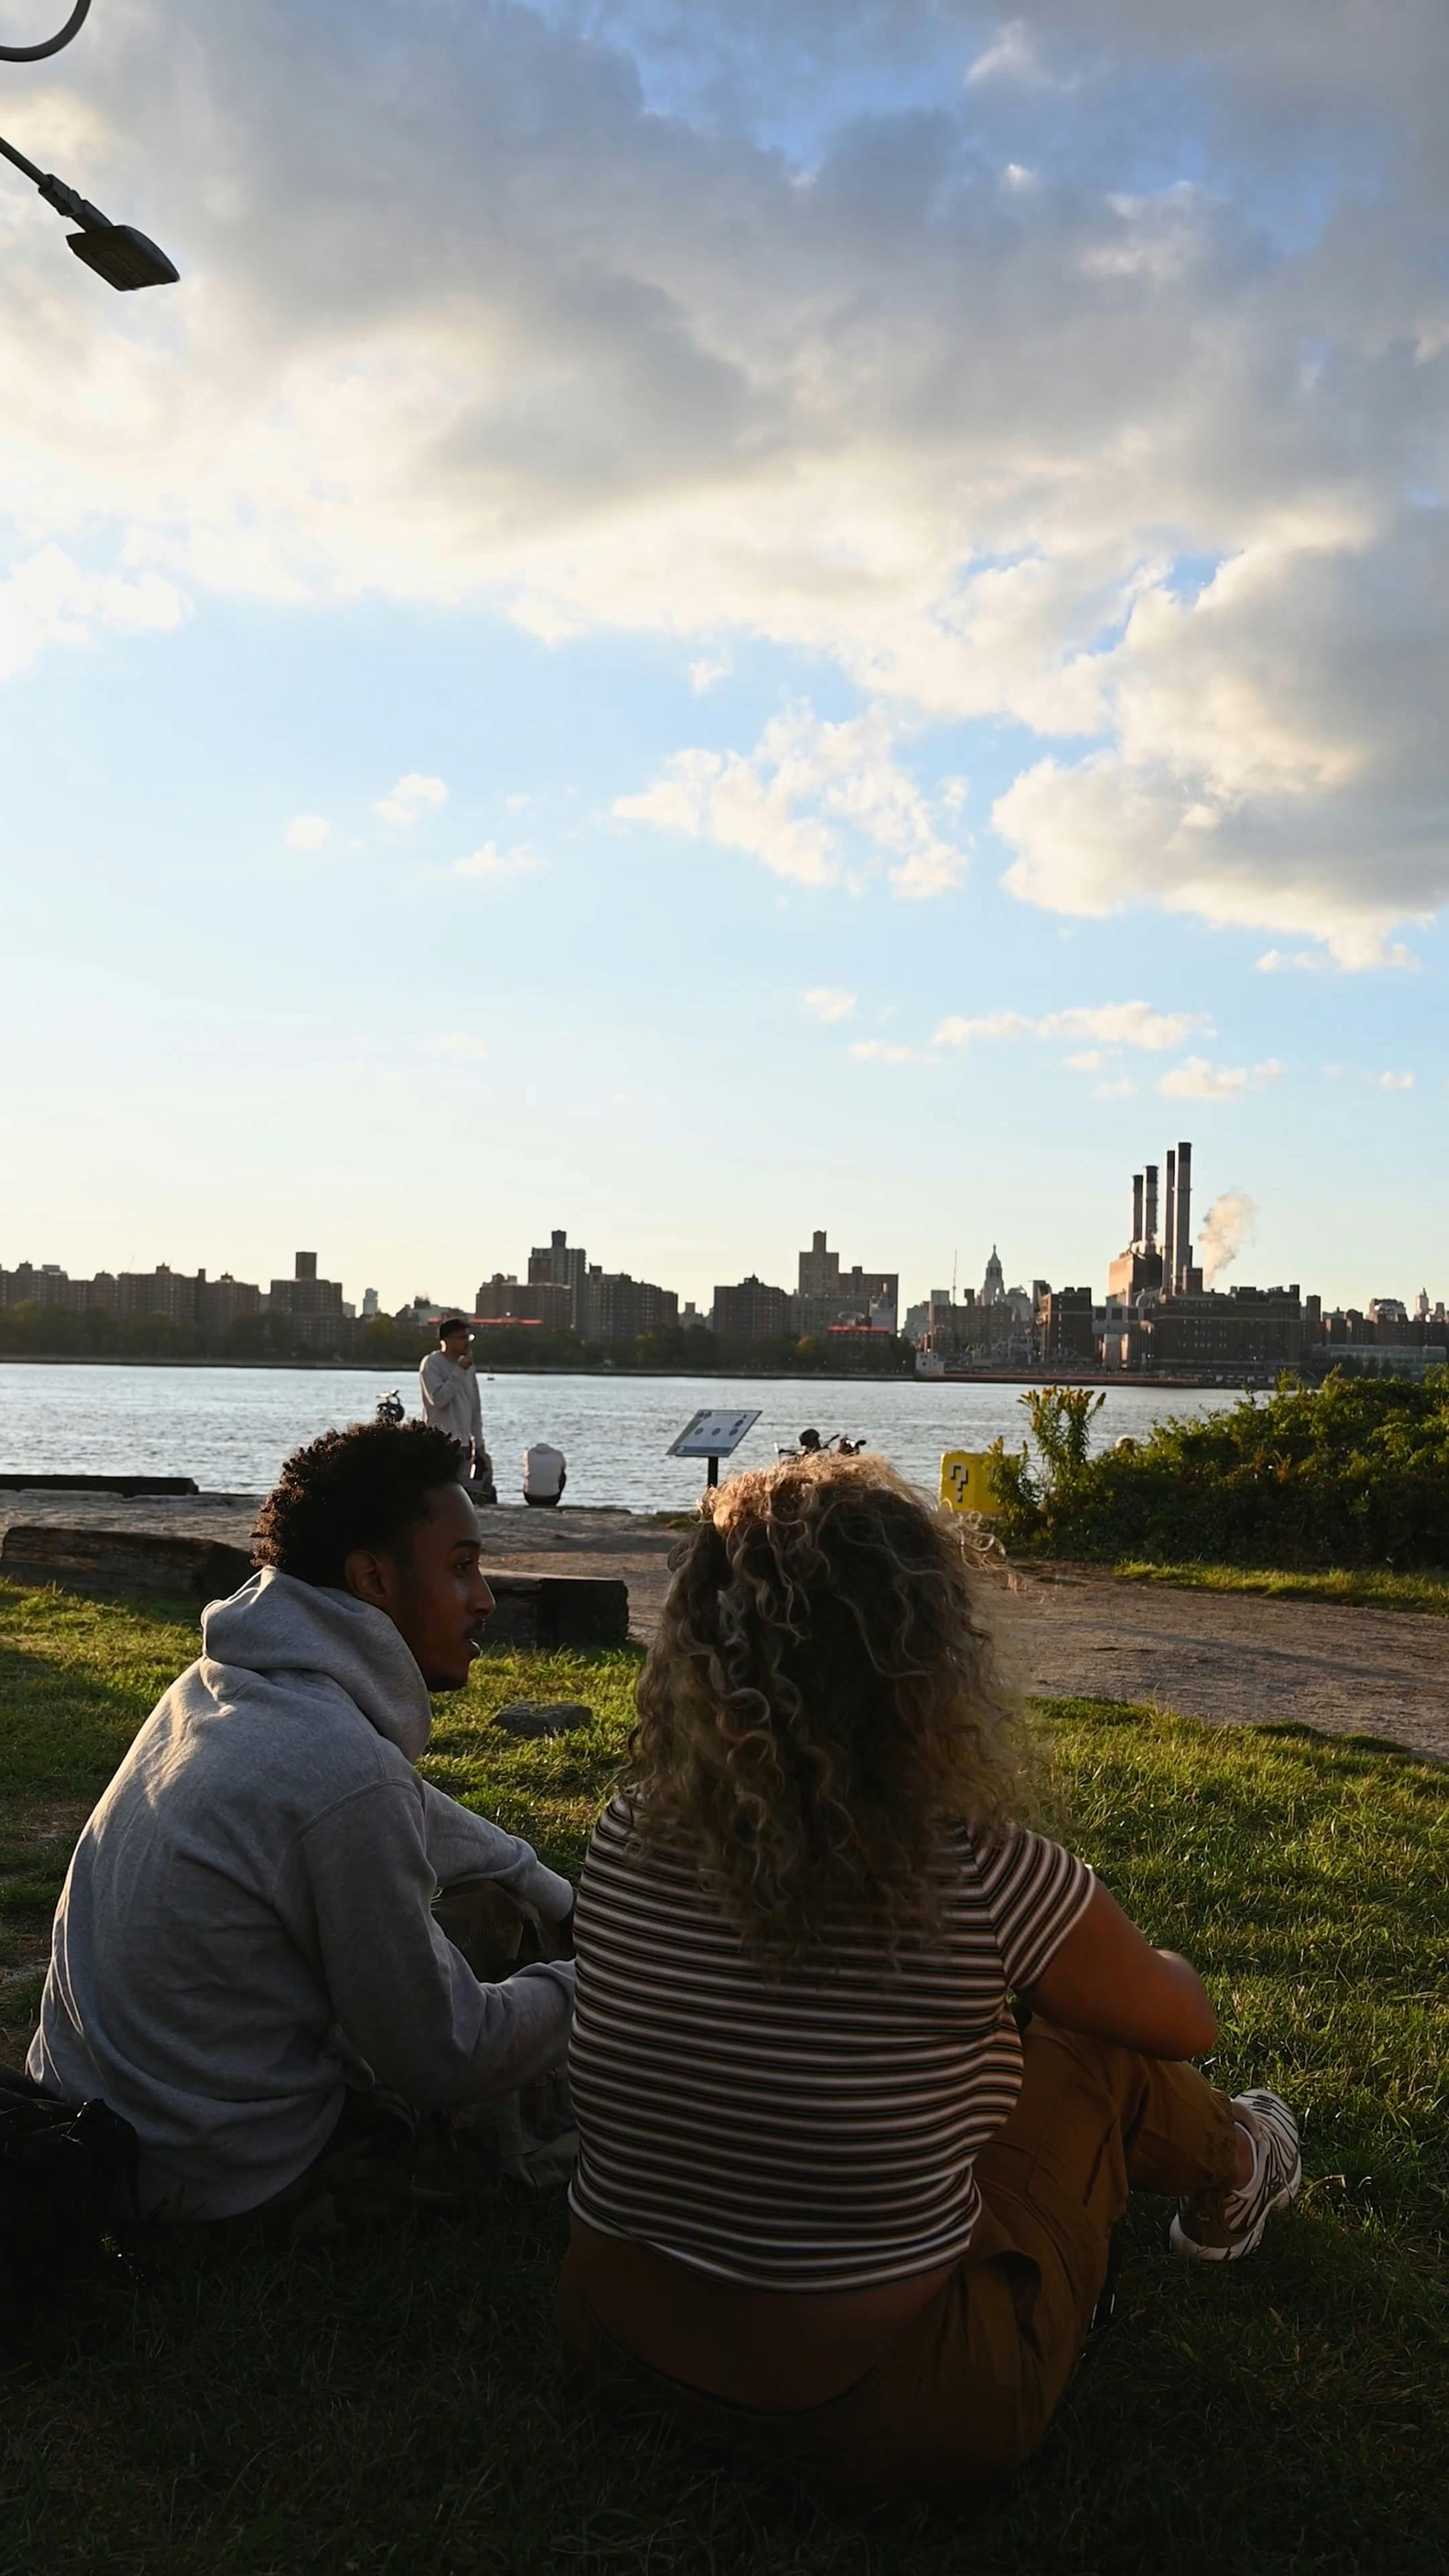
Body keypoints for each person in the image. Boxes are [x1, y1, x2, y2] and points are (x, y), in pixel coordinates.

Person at [561, 1453, 1300, 2520]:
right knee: (1099, 2046)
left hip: (614, 2353)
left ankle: (1226, 2154)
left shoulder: (628, 1829)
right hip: (894, 2419)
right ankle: (1240, 2160)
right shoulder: (980, 1870)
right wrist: (1084, 1970)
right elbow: (1184, 2022)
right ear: (926, 1656)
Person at [27, 1421, 576, 2223]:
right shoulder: (340, 1769)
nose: (485, 1599)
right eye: (462, 1569)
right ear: (373, 1581)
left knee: (498, 1905)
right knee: (582, 2128)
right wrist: (599, 1988)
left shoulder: (222, 1685)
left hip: (98, 2101)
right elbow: (444, 2057)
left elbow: (409, 1809)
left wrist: (558, 1897)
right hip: (218, 2169)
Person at [419, 1318, 485, 1485]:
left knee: (460, 1491)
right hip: (438, 1443)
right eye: (462, 1338)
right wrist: (460, 1371)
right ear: (446, 1340)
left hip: (463, 1444)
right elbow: (438, 1400)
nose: (467, 1343)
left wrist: (479, 1444)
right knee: (438, 1490)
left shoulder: (468, 1366)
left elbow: (475, 1407)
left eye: (468, 1338)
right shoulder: (432, 1364)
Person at [523, 1441, 568, 1507]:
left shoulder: (529, 1453)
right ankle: (552, 1491)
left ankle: (532, 1489)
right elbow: (563, 1468)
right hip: (552, 1498)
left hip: (531, 1498)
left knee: (527, 1472)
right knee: (563, 1474)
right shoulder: (558, 1454)